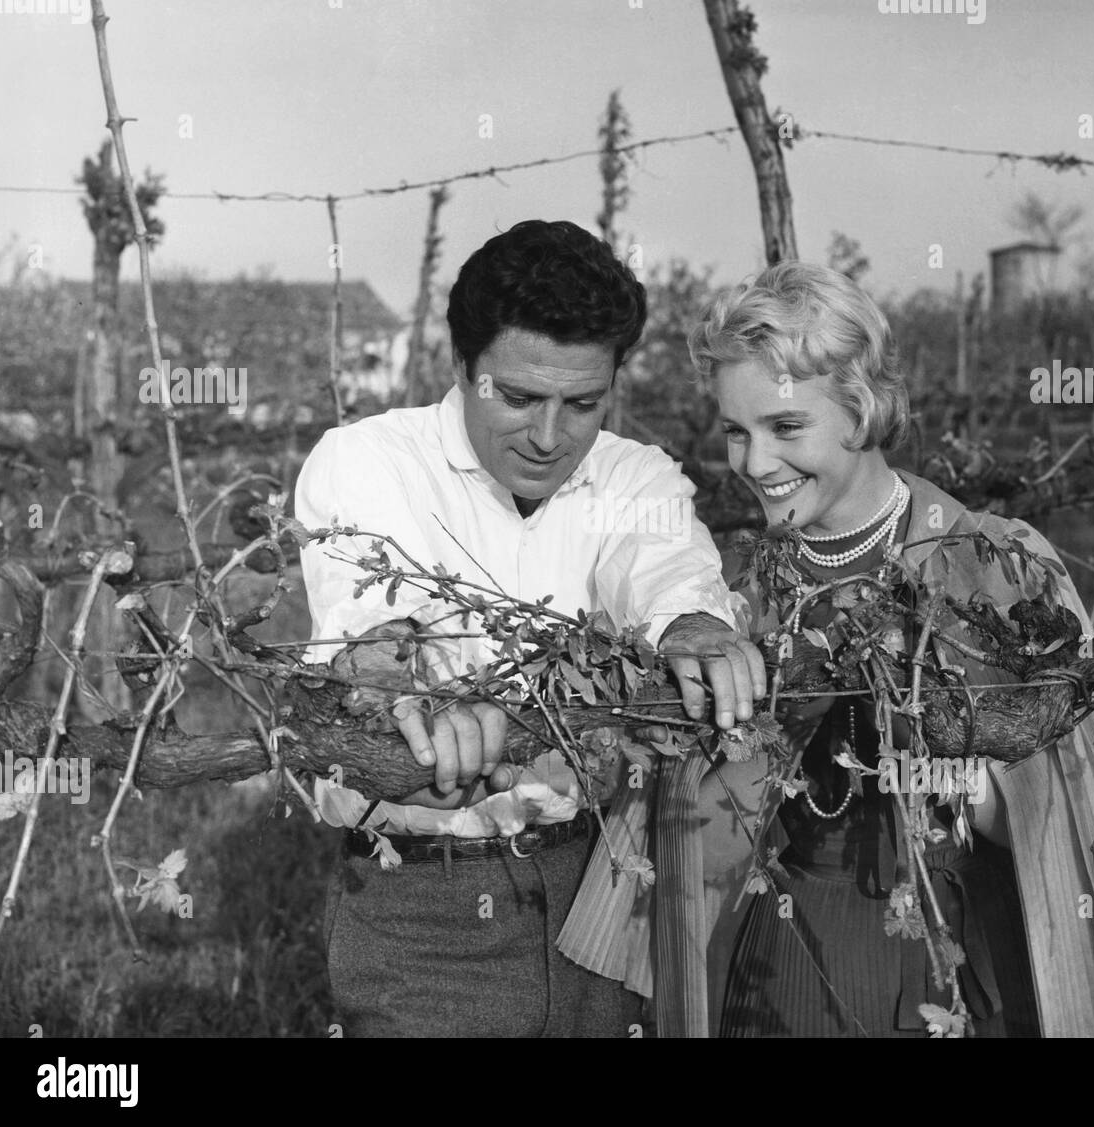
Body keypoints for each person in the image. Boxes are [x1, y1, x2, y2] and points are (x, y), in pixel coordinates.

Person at [682, 260, 1094, 1037]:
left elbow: (1085, 816)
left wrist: (958, 769)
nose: (755, 463)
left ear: (862, 408)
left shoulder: (993, 561)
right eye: (736, 432)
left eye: (786, 426)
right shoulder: (731, 590)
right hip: (799, 961)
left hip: (982, 958)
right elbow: (701, 843)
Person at [293, 219, 764, 1037]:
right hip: (424, 909)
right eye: (517, 397)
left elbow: (667, 574)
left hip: (604, 892)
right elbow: (370, 624)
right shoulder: (365, 461)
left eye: (582, 403)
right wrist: (410, 688)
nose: (549, 437)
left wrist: (692, 624)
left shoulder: (634, 475)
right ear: (462, 368)